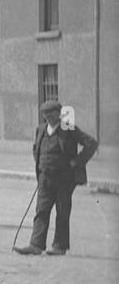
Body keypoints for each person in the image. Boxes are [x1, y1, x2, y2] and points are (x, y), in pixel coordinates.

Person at [15, 100, 99, 256]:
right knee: (41, 210)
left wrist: (78, 161)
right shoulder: (40, 129)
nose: (47, 117)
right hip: (45, 178)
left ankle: (59, 246)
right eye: (45, 114)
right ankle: (36, 245)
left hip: (64, 179)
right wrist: (41, 165)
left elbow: (91, 143)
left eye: (51, 113)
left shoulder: (68, 128)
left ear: (59, 113)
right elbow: (36, 148)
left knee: (62, 211)